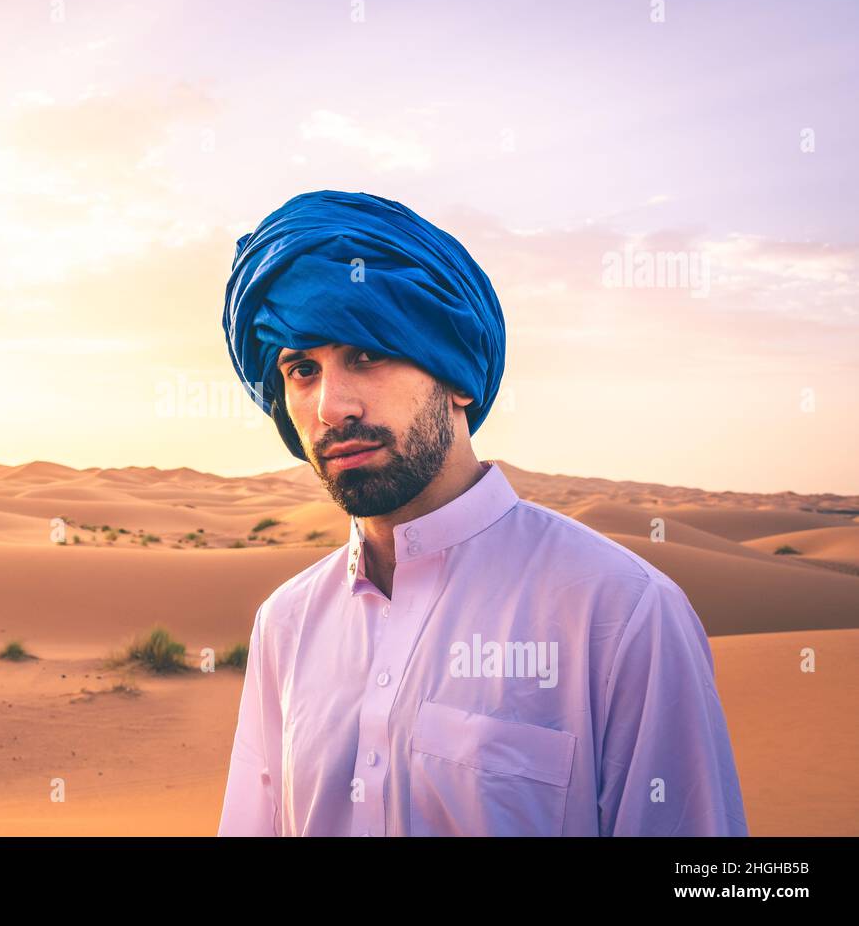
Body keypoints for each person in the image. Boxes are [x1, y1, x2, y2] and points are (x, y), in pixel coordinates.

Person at [216, 190, 748, 836]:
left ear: (458, 373)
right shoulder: (287, 624)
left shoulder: (621, 613)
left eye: (367, 355)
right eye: (302, 369)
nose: (333, 406)